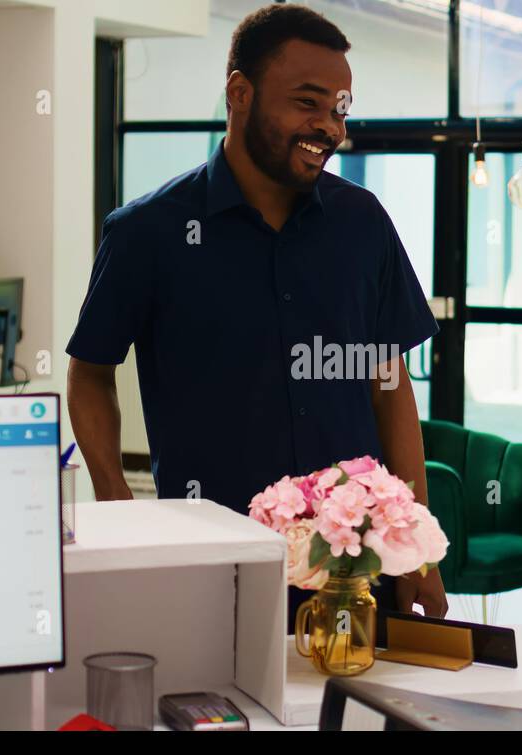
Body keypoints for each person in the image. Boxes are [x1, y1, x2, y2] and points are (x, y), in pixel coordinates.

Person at [65, 4, 448, 627]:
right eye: (307, 102)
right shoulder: (148, 232)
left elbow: (389, 384)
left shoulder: (363, 223)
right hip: (207, 561)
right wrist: (117, 506)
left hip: (352, 569)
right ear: (239, 94)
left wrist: (419, 554)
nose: (328, 126)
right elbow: (89, 372)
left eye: (339, 108)